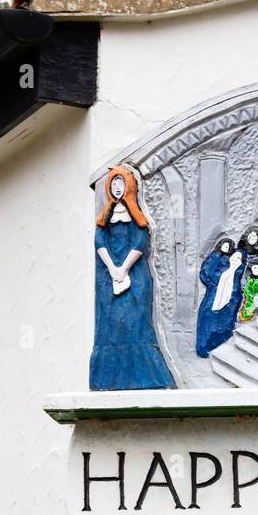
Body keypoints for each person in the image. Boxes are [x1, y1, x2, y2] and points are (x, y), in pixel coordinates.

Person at [90, 165, 174, 390]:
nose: (117, 188)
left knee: (136, 323)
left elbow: (140, 243)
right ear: (109, 187)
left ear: (128, 186)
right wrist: (112, 269)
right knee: (110, 326)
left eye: (121, 184)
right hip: (109, 278)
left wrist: (123, 269)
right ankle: (108, 378)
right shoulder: (105, 217)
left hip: (135, 277)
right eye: (114, 184)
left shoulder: (137, 217)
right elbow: (99, 243)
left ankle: (148, 376)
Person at [195, 237, 245, 356]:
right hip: (215, 293)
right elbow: (206, 273)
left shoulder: (232, 262)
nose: (226, 248)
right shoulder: (215, 257)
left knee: (224, 322)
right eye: (225, 245)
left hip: (229, 297)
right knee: (208, 317)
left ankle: (220, 344)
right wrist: (217, 281)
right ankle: (204, 347)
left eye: (228, 247)